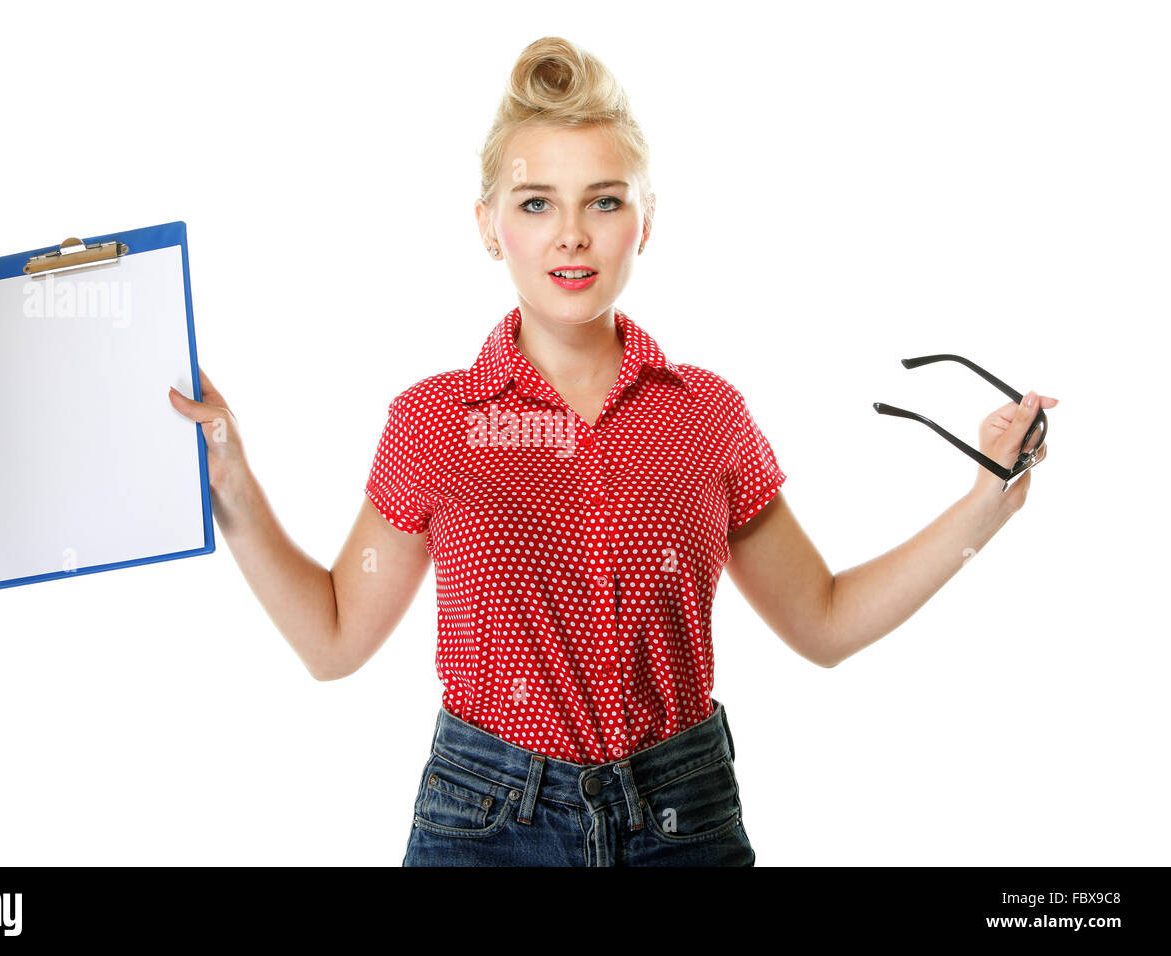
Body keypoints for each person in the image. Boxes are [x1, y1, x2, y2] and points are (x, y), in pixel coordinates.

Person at [168, 36, 1057, 866]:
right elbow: (332, 643)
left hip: (684, 817)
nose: (571, 234)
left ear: (645, 218)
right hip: (486, 826)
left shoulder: (708, 415)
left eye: (603, 200)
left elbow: (823, 622)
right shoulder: (432, 422)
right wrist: (235, 489)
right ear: (488, 224)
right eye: (535, 203)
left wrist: (987, 501)